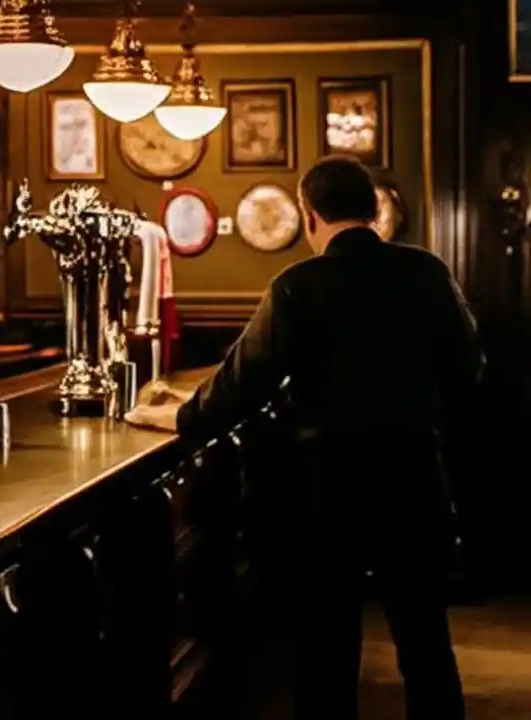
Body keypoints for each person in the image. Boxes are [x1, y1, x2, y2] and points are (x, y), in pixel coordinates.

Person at [127, 155, 483, 719]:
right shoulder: (427, 272)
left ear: (308, 214)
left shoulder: (297, 285)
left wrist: (169, 415)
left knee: (327, 645)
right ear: (373, 210)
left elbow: (239, 389)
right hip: (413, 477)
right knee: (425, 641)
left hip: (326, 489)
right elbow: (470, 367)